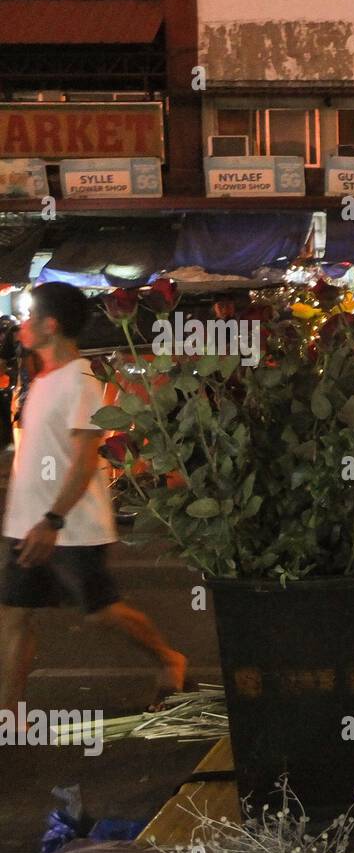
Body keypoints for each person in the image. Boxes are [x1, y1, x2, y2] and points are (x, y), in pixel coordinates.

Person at [0, 282, 186, 720]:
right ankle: (9, 715)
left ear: (51, 324)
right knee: (14, 614)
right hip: (27, 524)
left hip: (70, 526)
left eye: (29, 318)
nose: (21, 326)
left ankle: (168, 659)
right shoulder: (42, 378)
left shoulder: (81, 380)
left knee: (101, 612)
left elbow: (86, 457)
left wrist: (52, 519)